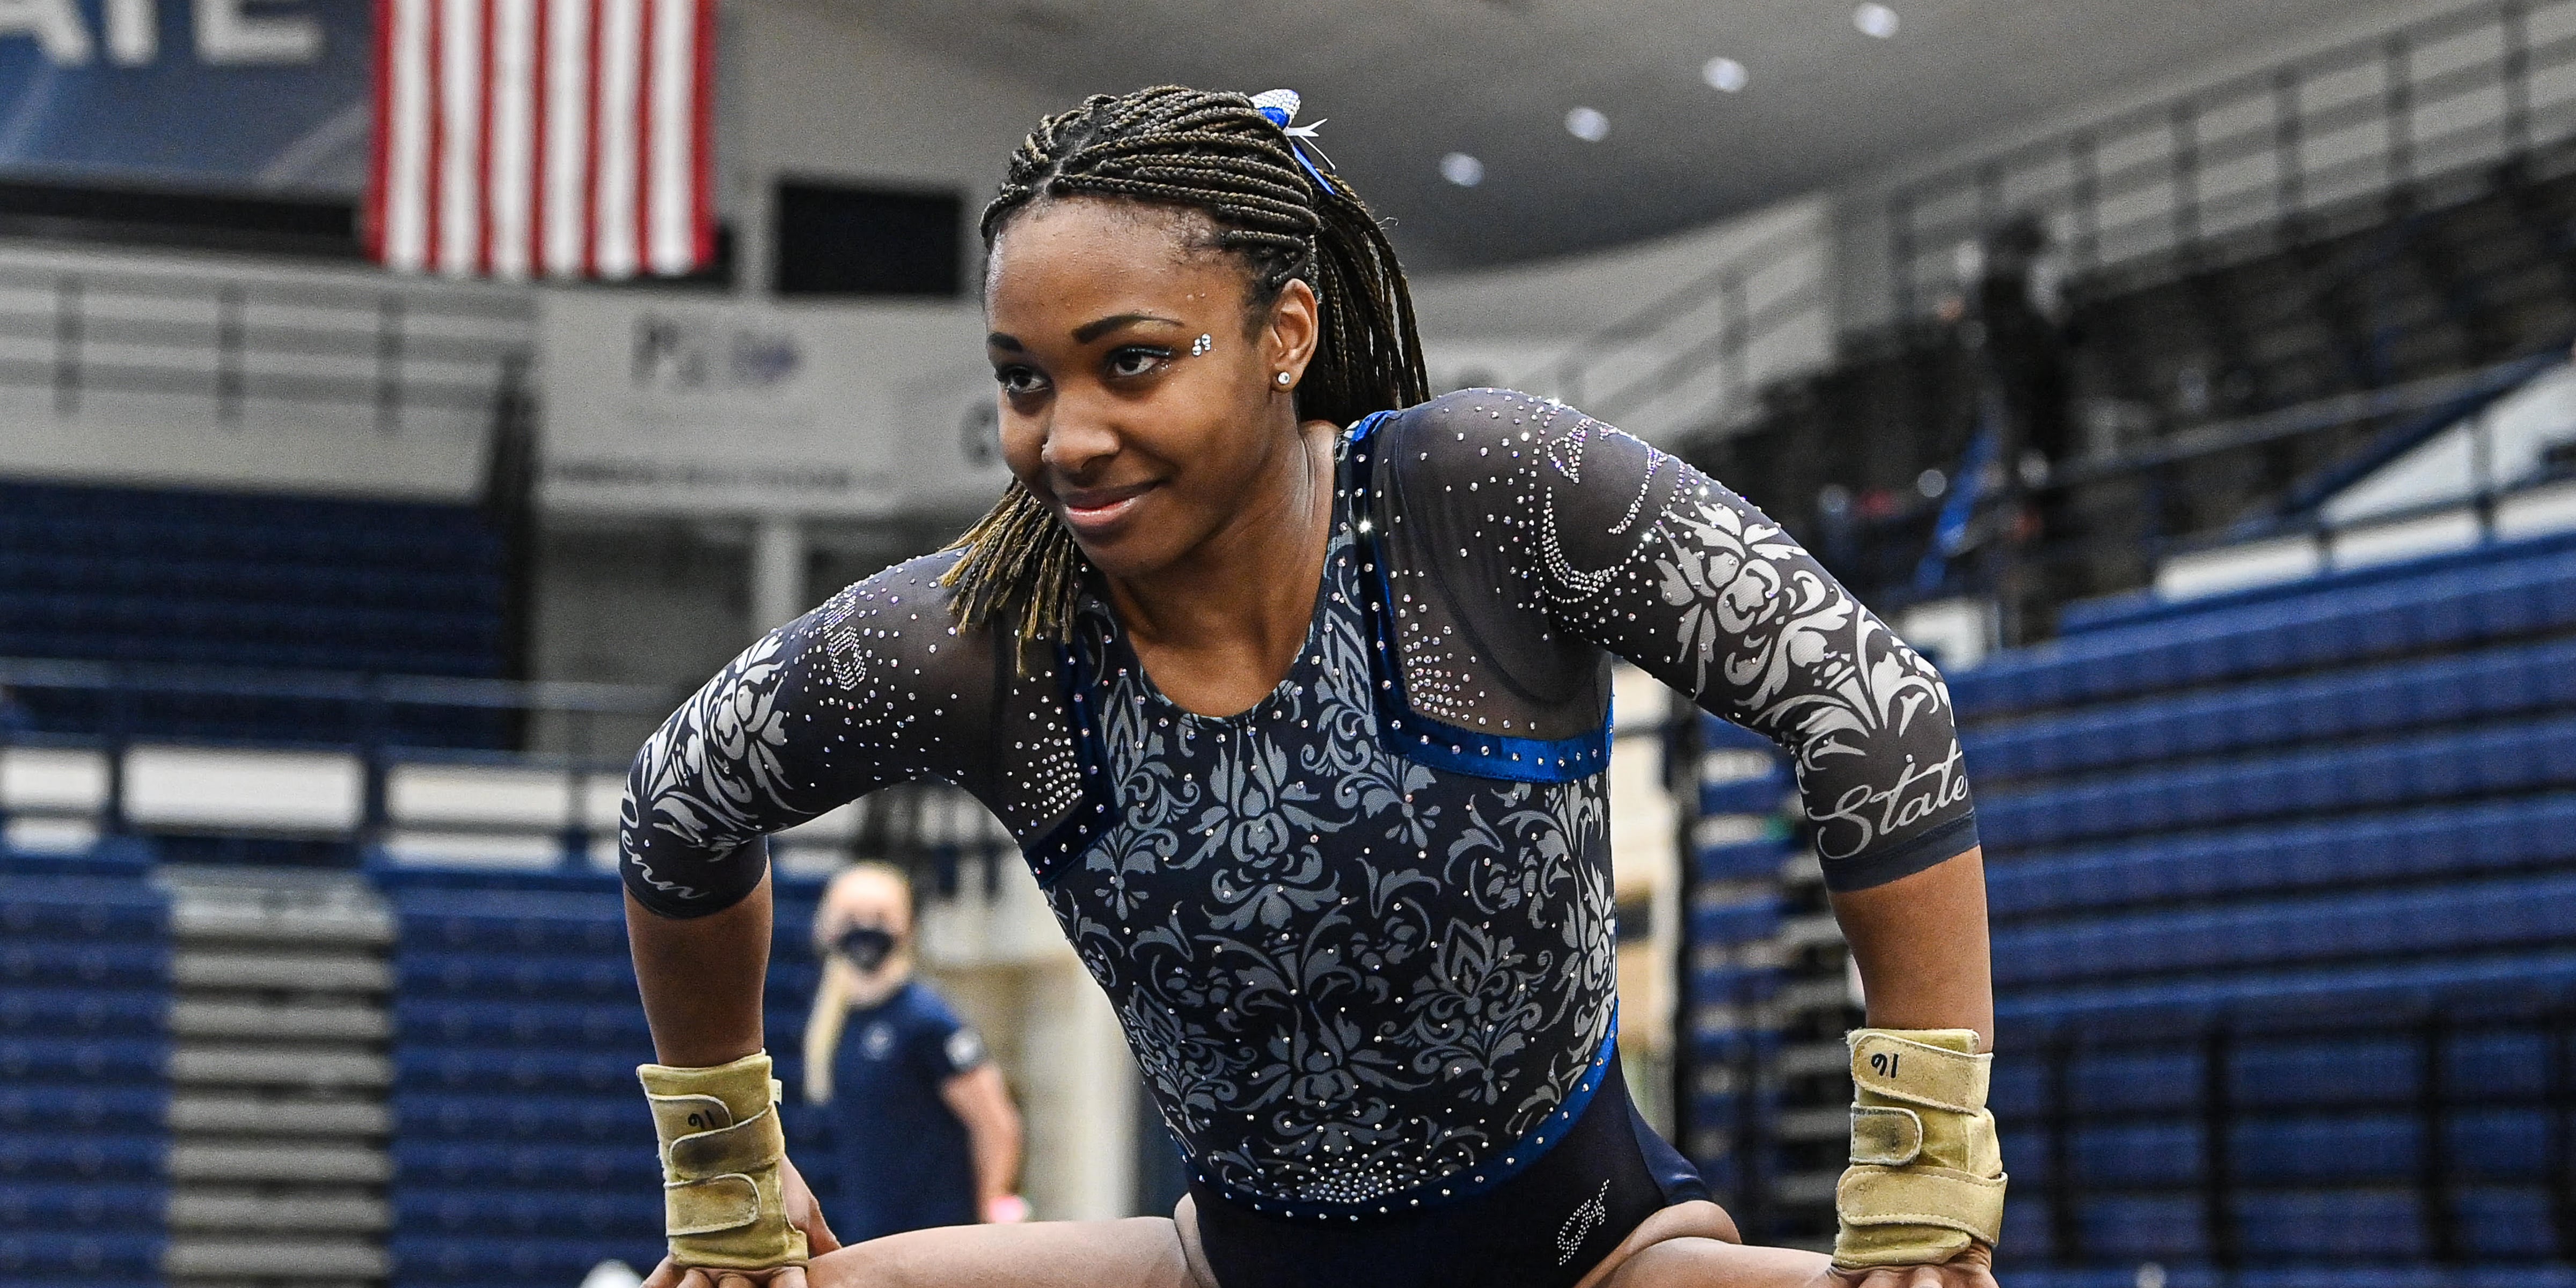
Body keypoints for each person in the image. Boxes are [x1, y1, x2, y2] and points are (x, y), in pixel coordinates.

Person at [619, 86, 2001, 1288]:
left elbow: (1872, 707)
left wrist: (1922, 1166)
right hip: (1236, 1260)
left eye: (1133, 359)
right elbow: (679, 801)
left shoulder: (1485, 501)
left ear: (1284, 331)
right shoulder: (986, 635)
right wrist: (725, 1161)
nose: (1070, 435)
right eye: (1023, 380)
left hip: (1598, 1252)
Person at [802, 862, 1025, 1240]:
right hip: (872, 1231)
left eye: (880, 916)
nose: (865, 928)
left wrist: (991, 1209)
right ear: (826, 926)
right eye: (851, 916)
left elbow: (997, 1124)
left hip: (935, 1235)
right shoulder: (836, 1020)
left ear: (907, 925)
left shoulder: (928, 1021)